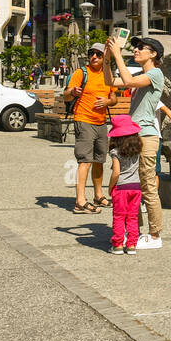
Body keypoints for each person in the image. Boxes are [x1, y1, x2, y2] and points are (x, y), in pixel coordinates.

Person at [104, 35, 171, 249]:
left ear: (154, 54)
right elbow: (110, 82)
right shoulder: (142, 74)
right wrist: (106, 59)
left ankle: (155, 235)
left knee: (148, 186)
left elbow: (128, 81)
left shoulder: (156, 73)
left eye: (142, 48)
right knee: (131, 184)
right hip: (133, 135)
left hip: (148, 135)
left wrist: (117, 55)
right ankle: (134, 232)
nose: (137, 50)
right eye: (136, 47)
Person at [66, 42, 119, 214]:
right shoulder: (81, 73)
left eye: (98, 54)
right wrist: (72, 92)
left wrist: (108, 101)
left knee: (99, 160)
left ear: (104, 58)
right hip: (84, 120)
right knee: (85, 160)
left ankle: (98, 195)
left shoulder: (107, 74)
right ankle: (80, 201)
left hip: (101, 122)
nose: (94, 57)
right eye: (91, 53)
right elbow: (65, 96)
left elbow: (114, 98)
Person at [105, 114, 144, 254]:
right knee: (132, 216)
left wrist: (110, 187)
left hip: (121, 187)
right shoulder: (138, 151)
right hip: (136, 187)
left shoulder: (115, 152)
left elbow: (116, 172)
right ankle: (132, 245)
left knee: (119, 216)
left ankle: (118, 245)